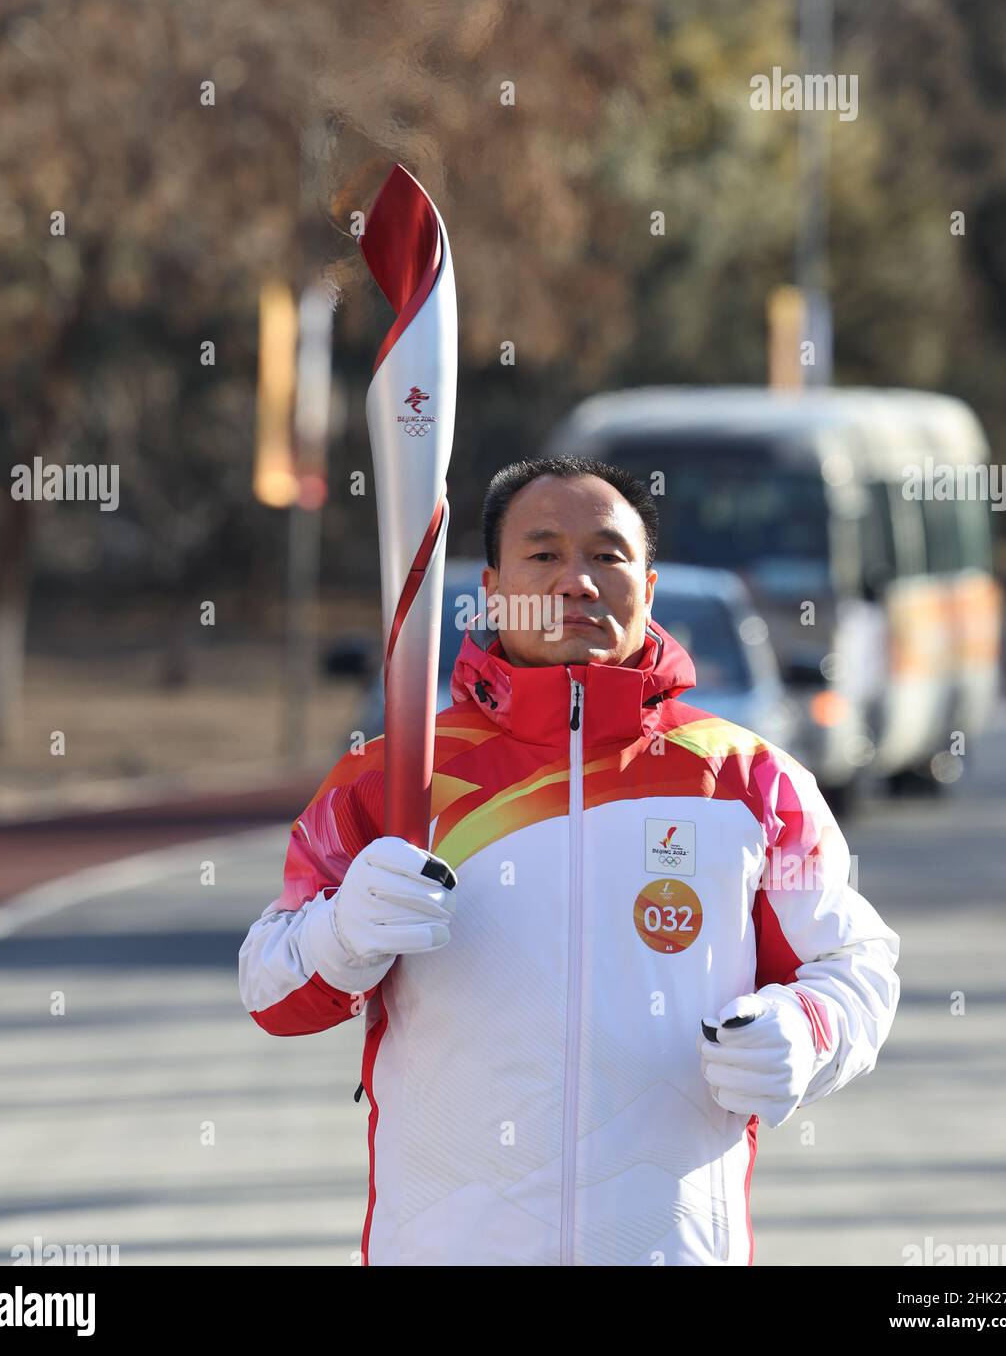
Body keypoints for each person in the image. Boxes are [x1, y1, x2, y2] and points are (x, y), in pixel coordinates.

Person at [238, 454, 901, 1266]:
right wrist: (344, 933)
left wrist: (805, 1031)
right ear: (491, 588)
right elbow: (271, 990)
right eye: (544, 554)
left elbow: (855, 965)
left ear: (647, 589)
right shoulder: (395, 778)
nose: (578, 582)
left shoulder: (746, 781)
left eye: (608, 556)